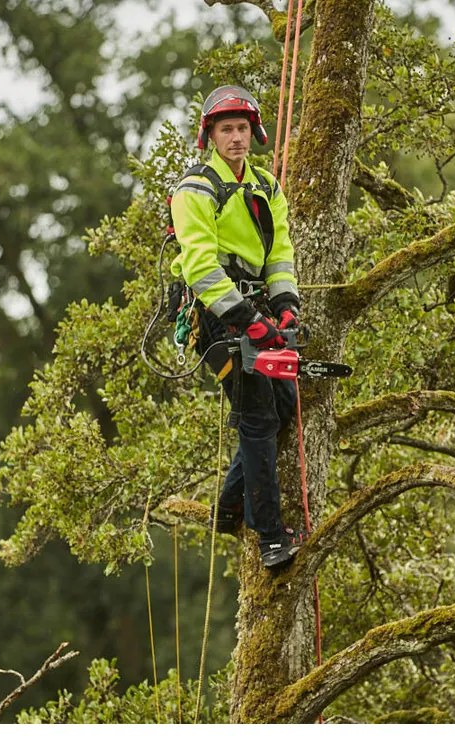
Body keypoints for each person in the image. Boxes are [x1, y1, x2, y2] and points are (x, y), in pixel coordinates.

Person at [169, 85, 306, 569]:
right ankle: (269, 536)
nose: (235, 138)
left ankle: (228, 506)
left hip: (256, 306)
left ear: (254, 134)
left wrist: (285, 304)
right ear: (210, 135)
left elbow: (280, 251)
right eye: (226, 129)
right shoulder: (195, 189)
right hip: (214, 314)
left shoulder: (267, 186)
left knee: (286, 403)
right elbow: (202, 268)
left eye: (242, 129)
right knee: (258, 416)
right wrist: (247, 322)